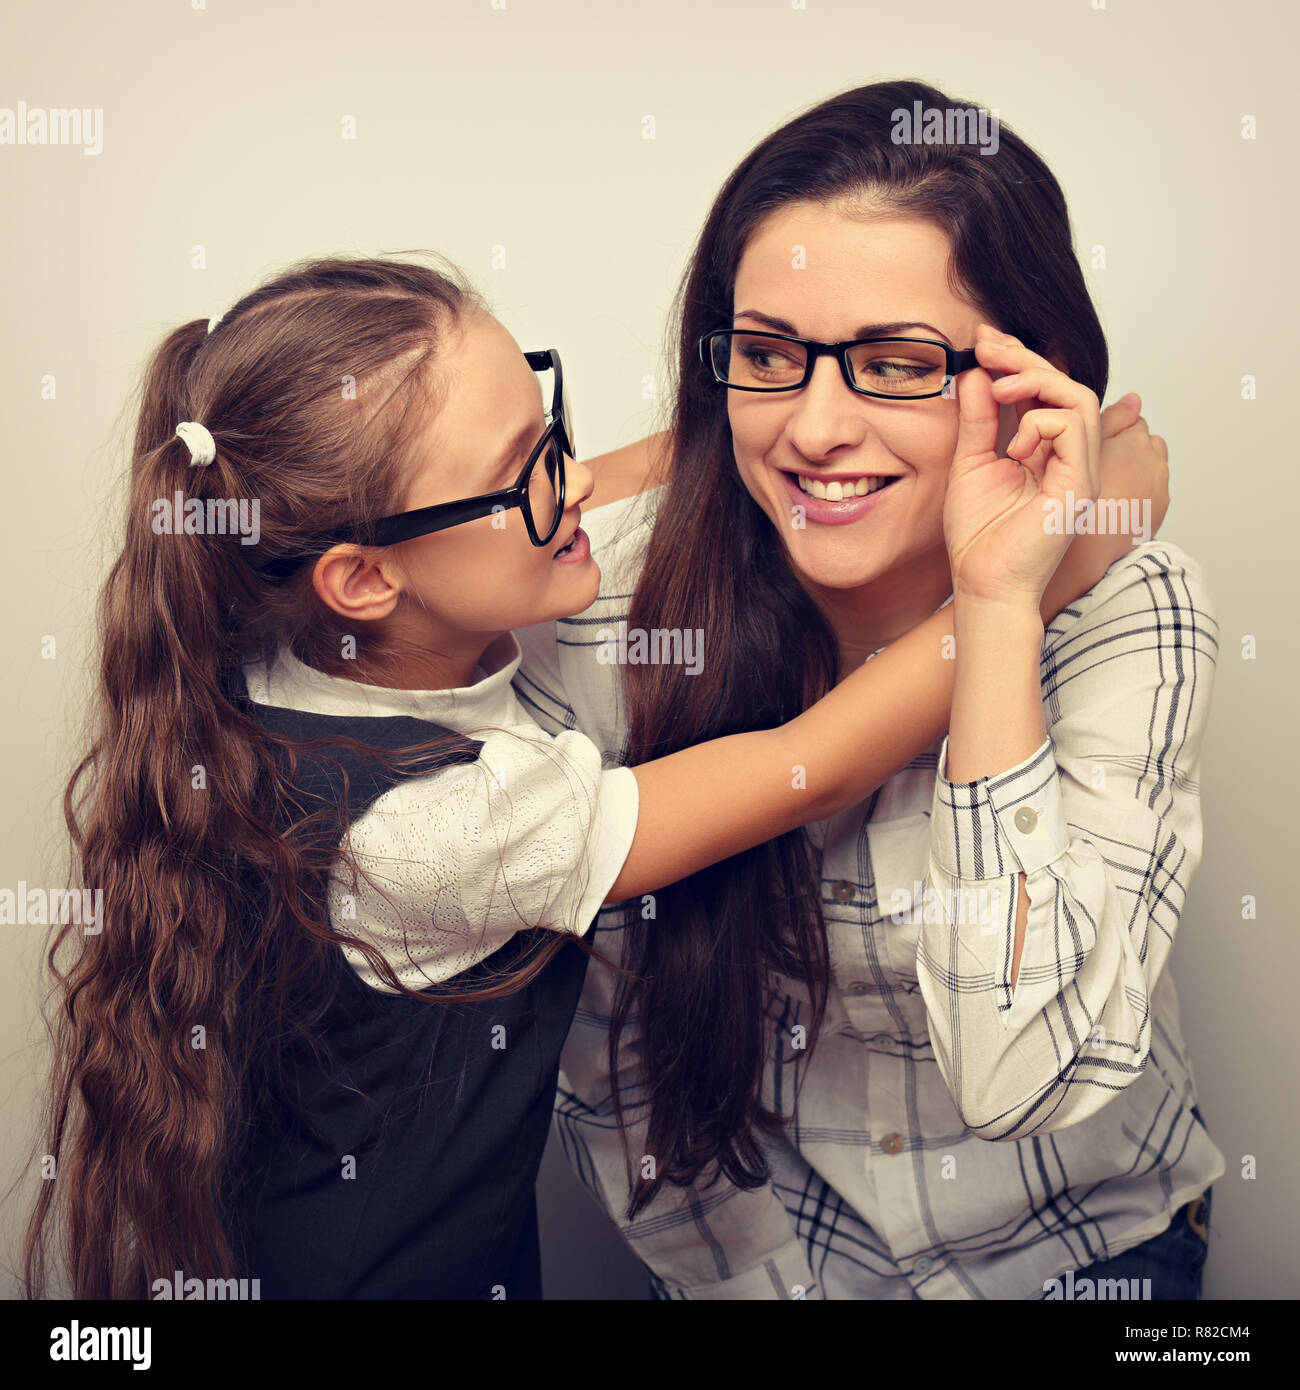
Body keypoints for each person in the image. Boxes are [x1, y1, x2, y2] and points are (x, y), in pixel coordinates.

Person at [23, 251, 1112, 1300]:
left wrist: (781, 424)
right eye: (529, 477)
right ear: (362, 578)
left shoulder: (273, 640)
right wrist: (1051, 563)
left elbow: (630, 469)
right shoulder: (433, 835)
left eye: (553, 436)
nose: (579, 483)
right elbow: (807, 763)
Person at [523, 79, 1223, 1299]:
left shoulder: (1126, 602)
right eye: (767, 356)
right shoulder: (603, 607)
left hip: (1078, 1257)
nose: (815, 427)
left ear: (1030, 375)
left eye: (895, 363)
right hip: (751, 1269)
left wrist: (1006, 605)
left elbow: (1029, 1078)